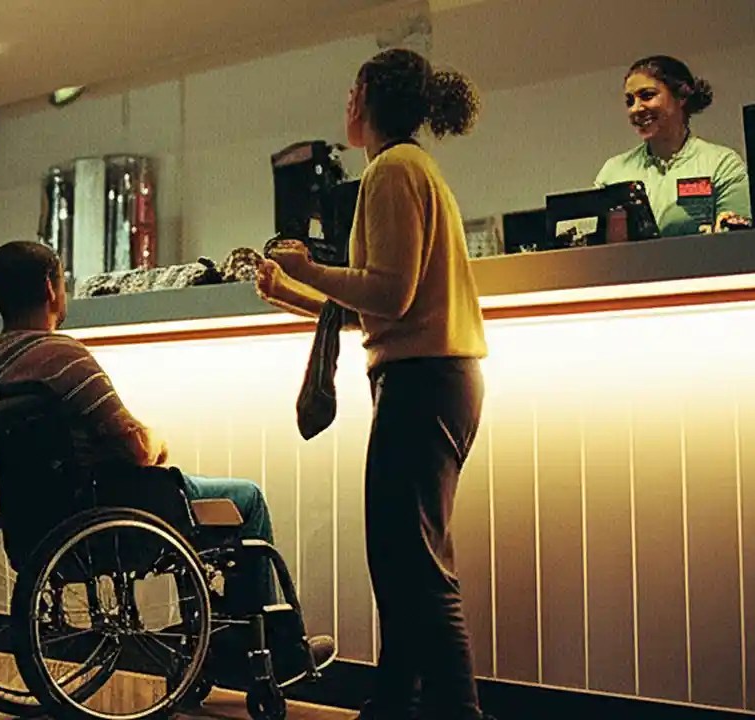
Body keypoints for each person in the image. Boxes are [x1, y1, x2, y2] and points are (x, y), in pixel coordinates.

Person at [260, 48, 492, 720]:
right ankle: (394, 705)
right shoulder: (413, 169)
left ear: (366, 98)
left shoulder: (394, 170)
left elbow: (388, 295)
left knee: (413, 566)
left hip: (422, 382)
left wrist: (307, 265)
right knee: (405, 562)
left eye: (350, 92)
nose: (345, 105)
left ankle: (456, 711)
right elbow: (382, 301)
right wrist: (296, 289)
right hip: (436, 379)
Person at [0, 240, 336, 671]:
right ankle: (272, 652)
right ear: (51, 289)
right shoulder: (61, 355)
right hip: (111, 506)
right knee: (247, 500)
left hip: (43, 520)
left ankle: (220, 642)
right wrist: (155, 442)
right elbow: (138, 446)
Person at [595, 55, 752, 237]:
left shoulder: (722, 164)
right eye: (630, 101)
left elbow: (739, 240)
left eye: (647, 96)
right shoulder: (613, 172)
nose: (635, 109)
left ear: (681, 96)